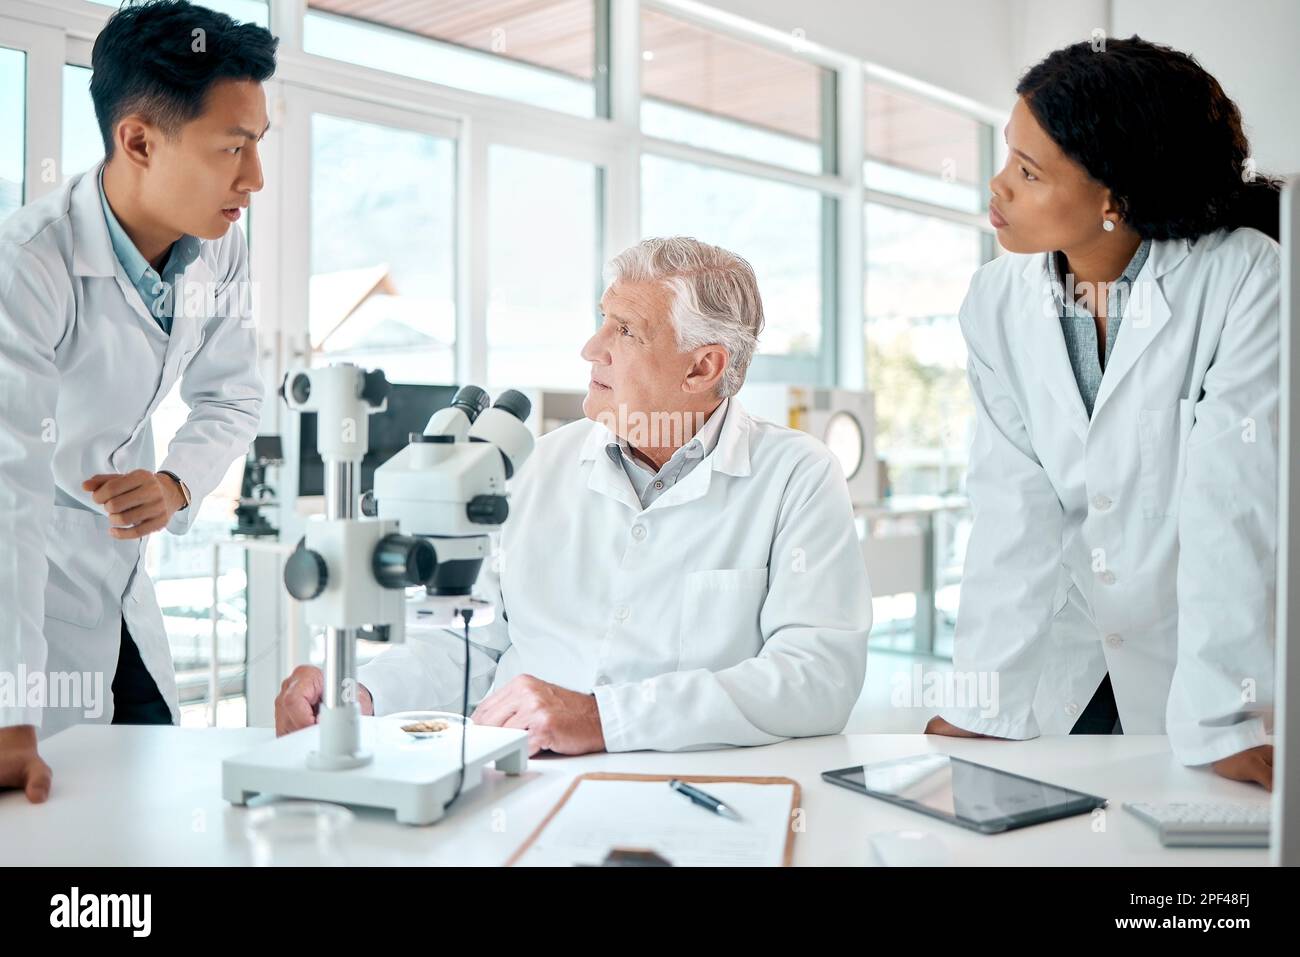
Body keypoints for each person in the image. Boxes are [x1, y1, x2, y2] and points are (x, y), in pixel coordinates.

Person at [276, 237, 872, 755]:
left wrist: (603, 718)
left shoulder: (797, 474)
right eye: (602, 319)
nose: (592, 348)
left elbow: (817, 678)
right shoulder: (538, 461)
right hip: (525, 775)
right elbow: (471, 637)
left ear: (702, 368)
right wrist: (364, 690)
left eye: (626, 331)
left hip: (698, 785)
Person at [927, 37, 1280, 790]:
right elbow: (1010, 511)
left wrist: (1227, 718)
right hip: (1073, 660)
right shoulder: (996, 302)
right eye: (1006, 157)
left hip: (1216, 658)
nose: (998, 186)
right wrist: (983, 694)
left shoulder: (1246, 277)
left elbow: (1235, 506)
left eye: (1028, 172)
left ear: (1114, 198)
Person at [0, 0, 276, 802]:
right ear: (140, 140)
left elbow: (231, 395)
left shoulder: (218, 247)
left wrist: (175, 484)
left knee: (154, 815)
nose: (253, 179)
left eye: (258, 146)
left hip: (119, 597)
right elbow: (8, 492)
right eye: (233, 148)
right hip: (27, 607)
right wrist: (10, 713)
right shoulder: (29, 266)